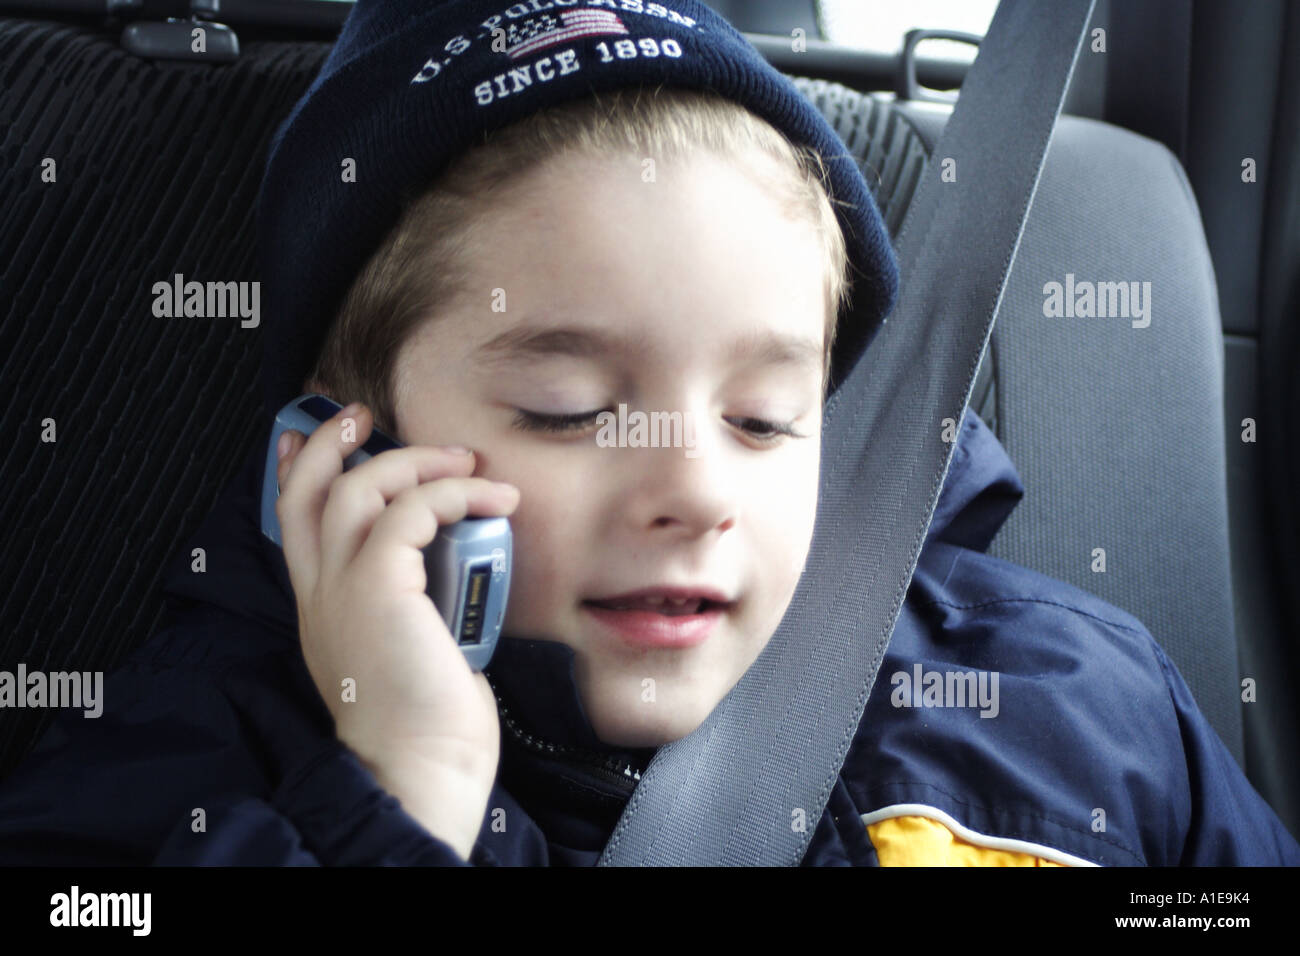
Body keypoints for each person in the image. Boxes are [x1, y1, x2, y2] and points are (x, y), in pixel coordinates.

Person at [1, 0, 1297, 866]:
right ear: (342, 450)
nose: (694, 490)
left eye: (765, 416)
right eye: (570, 411)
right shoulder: (176, 782)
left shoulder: (1086, 710)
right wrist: (396, 803)